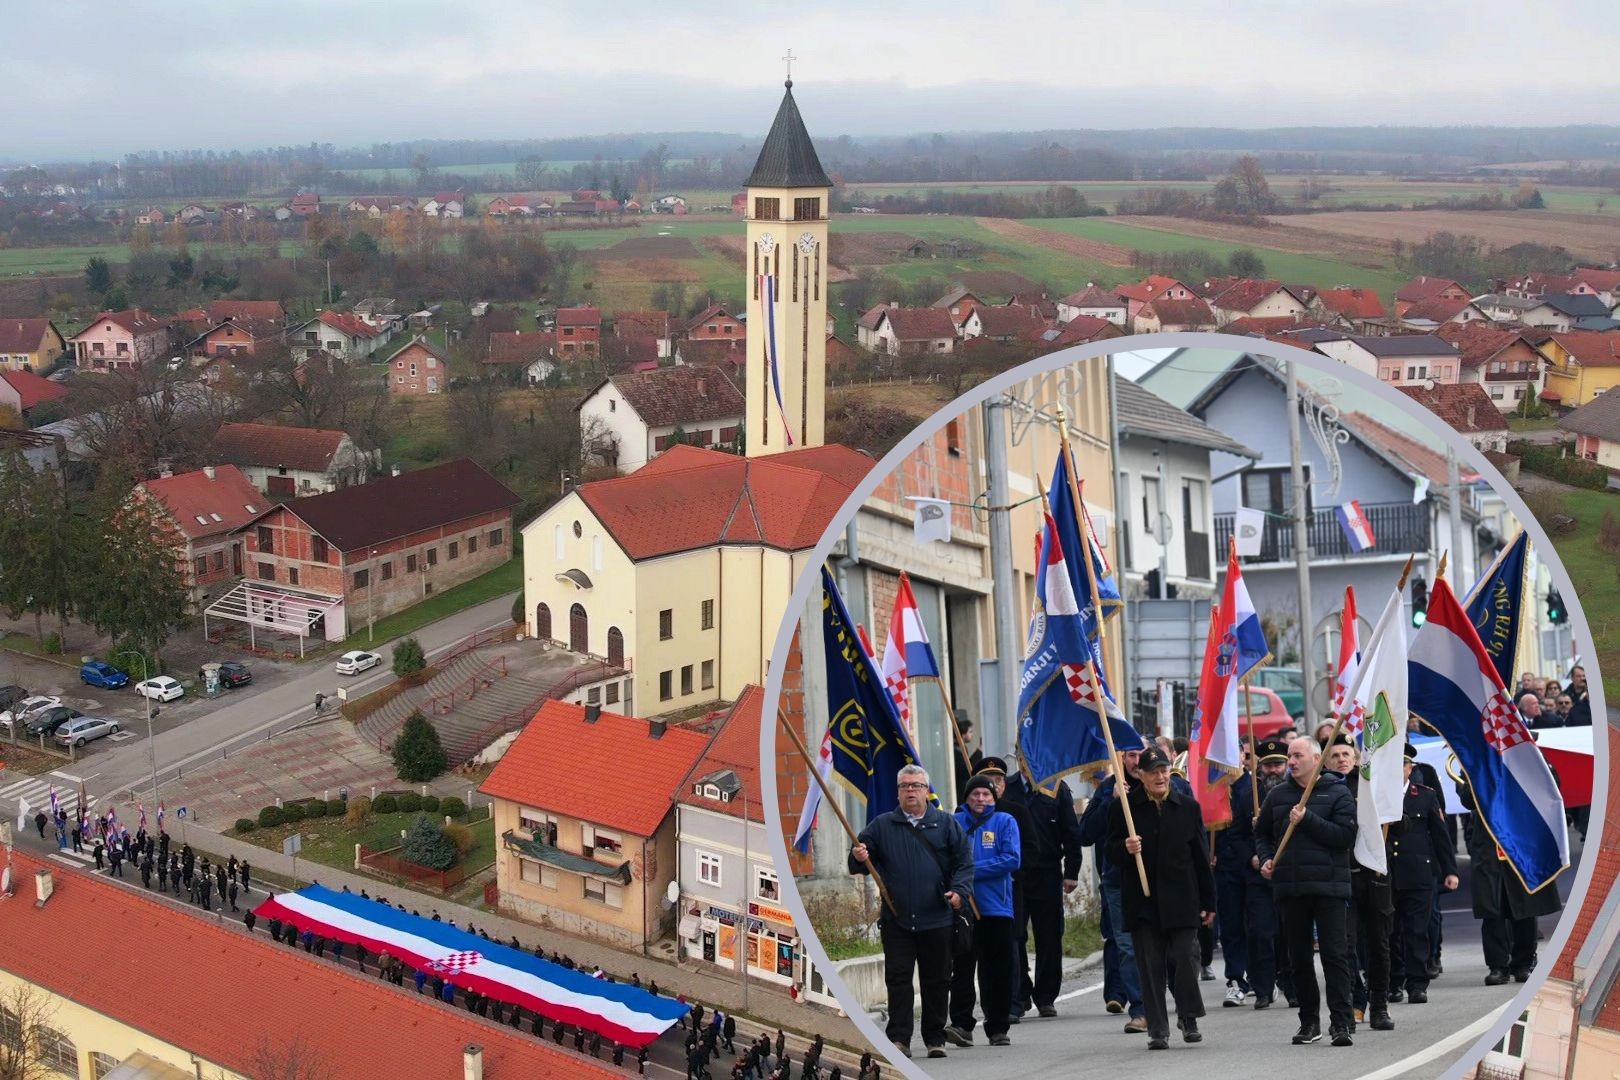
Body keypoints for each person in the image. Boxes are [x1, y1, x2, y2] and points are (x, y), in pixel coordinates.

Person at [849, 764, 973, 1061]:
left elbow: (964, 863)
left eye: (916, 786)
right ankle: (899, 1038)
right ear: (898, 792)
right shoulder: (882, 825)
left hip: (937, 917)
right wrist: (858, 855)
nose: (910, 791)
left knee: (937, 981)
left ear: (926, 790)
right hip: (898, 919)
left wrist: (959, 892)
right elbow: (859, 862)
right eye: (905, 786)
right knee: (899, 980)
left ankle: (935, 1038)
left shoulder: (945, 824)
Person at [1105, 745, 1216, 1050]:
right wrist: (1125, 848)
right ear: (1140, 775)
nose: (1160, 777)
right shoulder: (1124, 808)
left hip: (1182, 898)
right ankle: (1157, 1028)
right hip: (1143, 899)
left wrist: (1209, 902)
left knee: (1185, 957)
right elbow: (1110, 851)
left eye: (1164, 770)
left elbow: (1200, 857)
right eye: (1153, 772)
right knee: (1150, 964)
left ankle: (1188, 1016)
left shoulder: (1188, 807)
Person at [1255, 736, 1358, 1047]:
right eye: (1290, 756)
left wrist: (1307, 819)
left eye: (1298, 755)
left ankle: (1341, 1022)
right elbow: (1262, 834)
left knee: (1334, 956)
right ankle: (1309, 1021)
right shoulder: (1277, 795)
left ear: (1317, 759)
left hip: (1329, 887)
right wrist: (1266, 858)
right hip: (1291, 888)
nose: (1292, 761)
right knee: (1298, 958)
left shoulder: (1337, 791)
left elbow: (1344, 837)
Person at [1455, 773, 1562, 984]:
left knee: (1526, 909)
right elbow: (1467, 800)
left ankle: (1522, 964)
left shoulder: (1525, 761)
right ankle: (1497, 967)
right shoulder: (1476, 764)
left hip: (1521, 846)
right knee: (1492, 911)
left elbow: (1548, 788)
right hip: (1489, 849)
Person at [999, 757, 1082, 1021]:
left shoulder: (1057, 787)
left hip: (1047, 872)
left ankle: (1046, 996)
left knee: (1049, 936)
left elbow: (1071, 831)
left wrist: (1072, 872)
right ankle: (1020, 991)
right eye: (1023, 756)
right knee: (1015, 936)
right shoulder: (1008, 787)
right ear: (1018, 758)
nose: (1028, 762)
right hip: (1015, 874)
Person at [1323, 733, 1394, 1032]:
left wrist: (1390, 813)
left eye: (1346, 754)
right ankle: (1356, 999)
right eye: (1335, 755)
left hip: (1374, 876)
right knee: (1345, 945)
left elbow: (1400, 825)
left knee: (1379, 943)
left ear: (1355, 758)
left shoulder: (1370, 784)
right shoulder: (1322, 789)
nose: (1341, 759)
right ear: (1326, 761)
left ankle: (1379, 1005)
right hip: (1341, 876)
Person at [943, 773, 1021, 1049]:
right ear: (966, 797)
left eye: (986, 794)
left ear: (994, 797)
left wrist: (971, 870)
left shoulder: (1005, 821)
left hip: (996, 908)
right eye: (975, 794)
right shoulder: (954, 822)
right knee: (962, 968)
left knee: (997, 969)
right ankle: (961, 1024)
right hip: (962, 907)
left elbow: (1011, 859)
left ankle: (998, 1026)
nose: (980, 798)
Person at [1078, 747, 1149, 1033]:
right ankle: (1140, 1009)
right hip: (1118, 880)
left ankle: (1173, 1001)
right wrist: (1112, 801)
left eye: (1140, 754)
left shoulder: (1161, 785)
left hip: (1157, 879)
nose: (1135, 761)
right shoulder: (1107, 789)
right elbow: (1086, 833)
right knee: (1127, 947)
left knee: (1161, 945)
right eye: (1129, 755)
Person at [1387, 743, 1459, 1004]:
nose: (1398, 770)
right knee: (1390, 932)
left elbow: (1440, 836)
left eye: (1402, 765)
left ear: (1410, 768)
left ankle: (1417, 984)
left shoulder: (1425, 796)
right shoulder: (1378, 795)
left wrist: (1449, 870)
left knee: (1417, 931)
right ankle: (1393, 982)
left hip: (1418, 873)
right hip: (1387, 873)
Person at [1229, 737, 1290, 1009]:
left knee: (1288, 934)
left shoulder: (1296, 793)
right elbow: (1236, 836)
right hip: (1258, 877)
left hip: (1289, 874)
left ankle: (1291, 985)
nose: (1273, 770)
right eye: (1267, 766)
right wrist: (1251, 857)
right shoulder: (1248, 795)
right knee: (1260, 932)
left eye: (1277, 764)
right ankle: (1263, 988)